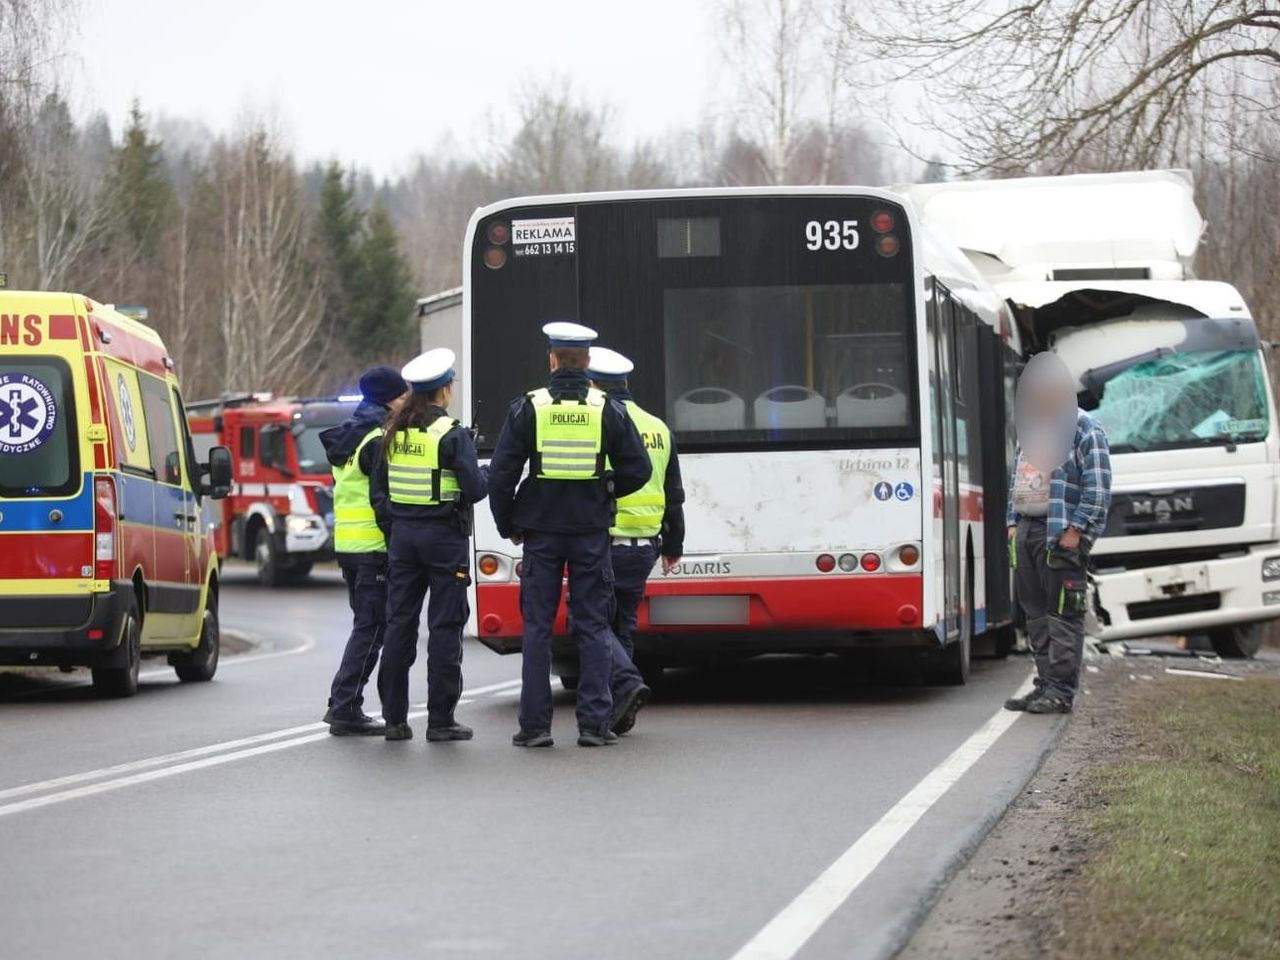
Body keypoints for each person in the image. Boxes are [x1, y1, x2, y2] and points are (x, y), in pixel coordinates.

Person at [487, 322, 651, 748]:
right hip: (590, 533)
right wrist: (604, 490)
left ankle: (535, 727)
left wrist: (509, 524)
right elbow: (639, 470)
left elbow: (501, 476)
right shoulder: (607, 409)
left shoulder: (528, 408)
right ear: (588, 362)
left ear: (552, 360)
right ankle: (594, 725)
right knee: (594, 625)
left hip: (541, 532)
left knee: (537, 628)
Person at [371, 348, 488, 742]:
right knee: (444, 627)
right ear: (445, 389)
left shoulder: (392, 432)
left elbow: (379, 492)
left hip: (403, 539)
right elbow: (475, 490)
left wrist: (395, 529)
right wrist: (483, 470)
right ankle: (440, 720)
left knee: (399, 625)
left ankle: (394, 720)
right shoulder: (451, 434)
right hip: (444, 539)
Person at [586, 346, 686, 735]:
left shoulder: (601, 422)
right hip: (645, 545)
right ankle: (619, 711)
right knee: (623, 624)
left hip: (606, 540)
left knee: (591, 620)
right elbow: (673, 494)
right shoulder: (658, 426)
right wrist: (674, 545)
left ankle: (625, 684)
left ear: (595, 386)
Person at [1004, 353, 1112, 715]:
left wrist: (1076, 530)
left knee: (1063, 614)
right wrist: (1012, 523)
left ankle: (1061, 692)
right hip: (1027, 531)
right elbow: (1017, 480)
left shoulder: (1085, 429)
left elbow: (1098, 489)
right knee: (1035, 616)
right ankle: (1046, 685)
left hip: (1060, 533)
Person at [320, 365, 409, 736]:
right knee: (371, 629)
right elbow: (383, 499)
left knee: (366, 627)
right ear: (389, 400)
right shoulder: (376, 439)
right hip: (373, 547)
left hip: (349, 546)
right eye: (402, 396)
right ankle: (344, 706)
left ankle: (345, 703)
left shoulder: (350, 435)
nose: (407, 401)